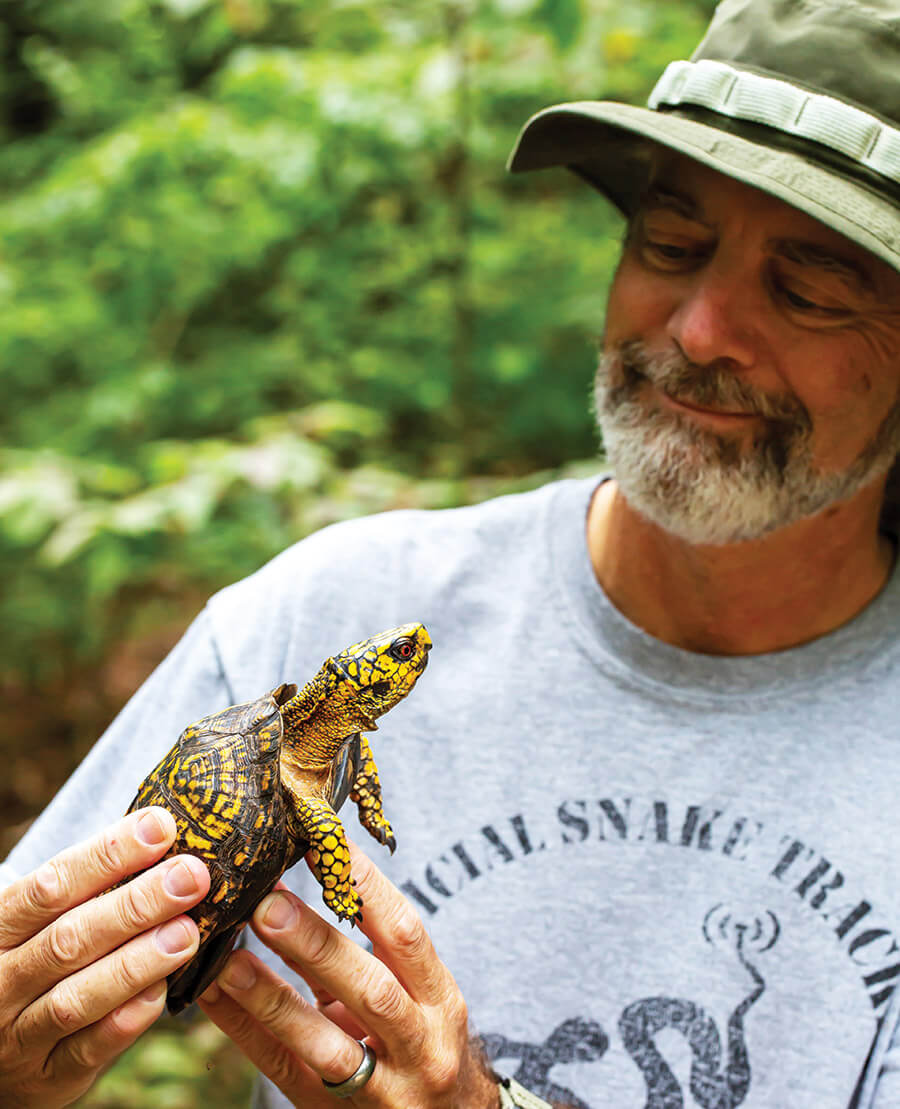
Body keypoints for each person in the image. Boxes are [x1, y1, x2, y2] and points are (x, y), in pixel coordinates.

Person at [2, 0, 900, 1104]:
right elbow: (35, 975)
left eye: (809, 290)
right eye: (671, 243)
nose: (703, 329)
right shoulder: (326, 612)